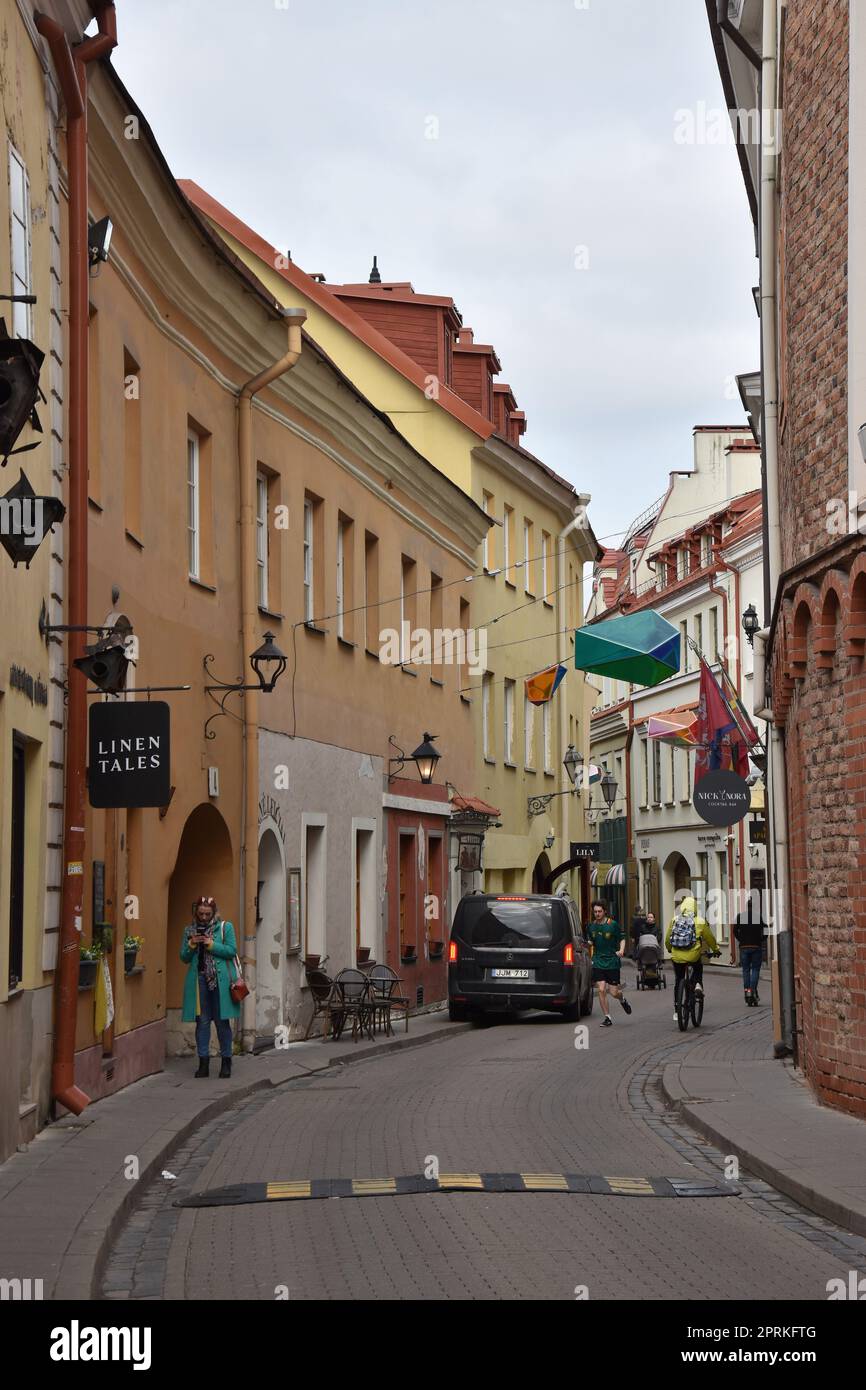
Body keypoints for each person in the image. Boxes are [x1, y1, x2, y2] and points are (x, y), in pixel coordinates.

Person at [180, 896, 240, 1078]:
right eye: (200, 914)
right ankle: (203, 1063)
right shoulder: (189, 930)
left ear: (214, 912)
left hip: (220, 982)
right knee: (202, 1022)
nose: (204, 917)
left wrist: (211, 945)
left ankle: (226, 1061)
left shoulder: (224, 927)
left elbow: (231, 950)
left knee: (222, 1022)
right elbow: (183, 957)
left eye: (207, 914)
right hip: (199, 981)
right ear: (196, 913)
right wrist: (191, 945)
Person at [665, 894, 720, 1022]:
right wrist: (716, 949)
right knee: (697, 967)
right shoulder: (700, 921)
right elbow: (710, 938)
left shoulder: (674, 920)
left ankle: (677, 1009)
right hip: (693, 955)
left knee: (679, 979)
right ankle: (697, 985)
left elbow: (668, 938)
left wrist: (669, 948)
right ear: (695, 908)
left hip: (677, 956)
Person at [586, 899, 632, 1027]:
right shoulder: (591, 926)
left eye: (599, 911)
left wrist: (621, 950)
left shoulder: (612, 925)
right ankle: (607, 1017)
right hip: (598, 960)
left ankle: (622, 999)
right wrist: (585, 944)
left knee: (614, 993)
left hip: (612, 961)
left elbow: (622, 938)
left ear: (604, 911)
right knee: (601, 990)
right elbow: (590, 942)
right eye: (595, 912)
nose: (597, 914)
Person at [734, 895, 767, 1007]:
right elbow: (765, 928)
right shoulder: (758, 917)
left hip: (744, 947)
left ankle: (747, 992)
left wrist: (740, 939)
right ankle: (752, 991)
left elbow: (735, 930)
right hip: (756, 946)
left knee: (746, 970)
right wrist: (762, 939)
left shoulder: (740, 916)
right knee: (755, 969)